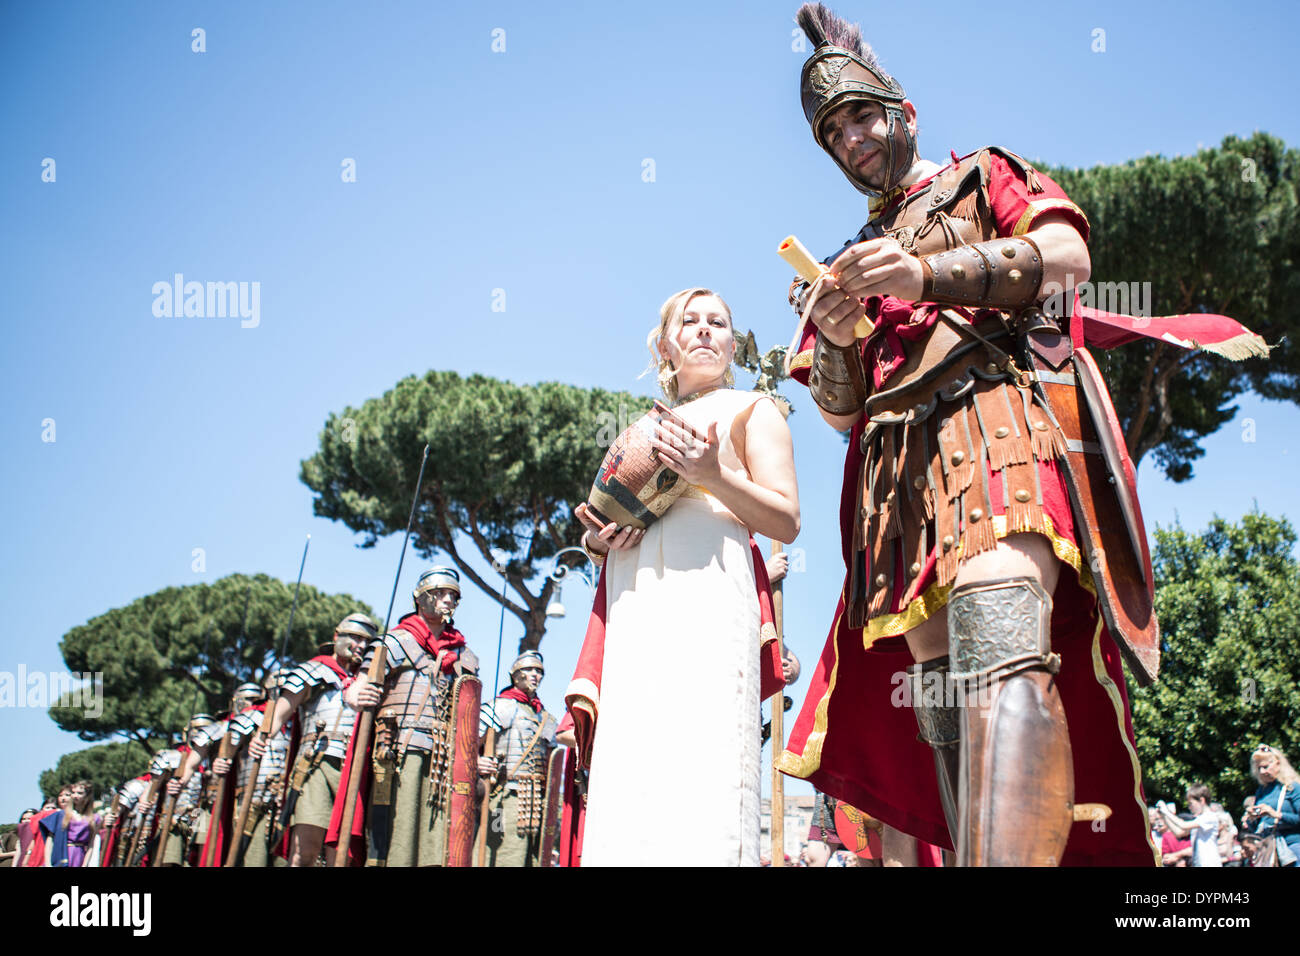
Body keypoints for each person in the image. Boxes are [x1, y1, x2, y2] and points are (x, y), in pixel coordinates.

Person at [773, 2, 1257, 867]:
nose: (850, 139)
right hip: (895, 475)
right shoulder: (848, 250)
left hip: (991, 420)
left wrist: (923, 272)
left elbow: (1067, 263)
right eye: (831, 133)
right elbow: (840, 411)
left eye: (859, 116)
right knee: (946, 710)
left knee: (1002, 649)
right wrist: (839, 335)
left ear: (903, 113)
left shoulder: (981, 173)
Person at [569, 287, 800, 866]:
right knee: (634, 762)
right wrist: (597, 541)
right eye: (689, 322)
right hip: (636, 598)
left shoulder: (755, 409)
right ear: (666, 346)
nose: (703, 330)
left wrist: (712, 474)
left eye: (717, 322)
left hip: (711, 599)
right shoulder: (639, 432)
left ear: (732, 341)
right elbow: (601, 526)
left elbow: (787, 519)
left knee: (704, 756)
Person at [344, 567, 485, 867]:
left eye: (454, 596)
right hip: (399, 753)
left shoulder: (464, 657)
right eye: (441, 593)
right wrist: (357, 695)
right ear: (421, 598)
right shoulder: (393, 642)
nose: (449, 600)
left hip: (443, 759)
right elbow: (358, 686)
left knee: (434, 846)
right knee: (396, 840)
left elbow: (469, 715)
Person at [249, 612, 377, 866]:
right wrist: (262, 737)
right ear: (336, 636)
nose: (360, 645)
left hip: (354, 770)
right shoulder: (314, 670)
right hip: (315, 764)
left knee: (341, 855)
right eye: (354, 637)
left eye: (366, 641)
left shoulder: (370, 680)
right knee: (304, 851)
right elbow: (281, 711)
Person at [479, 651, 559, 867]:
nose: (535, 675)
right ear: (515, 674)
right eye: (529, 669)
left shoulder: (547, 719)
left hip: (537, 801)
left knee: (531, 858)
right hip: (502, 800)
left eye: (539, 671)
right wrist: (478, 763)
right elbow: (467, 745)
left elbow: (554, 767)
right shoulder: (500, 707)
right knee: (499, 853)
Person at [1245, 744, 1300, 866]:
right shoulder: (1262, 791)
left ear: (1278, 764)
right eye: (1259, 768)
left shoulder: (1292, 788)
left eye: (1265, 767)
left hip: (1293, 848)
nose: (1262, 772)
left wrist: (1275, 814)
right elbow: (1256, 828)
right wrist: (1251, 818)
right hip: (1270, 849)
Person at [1157, 784, 1223, 868]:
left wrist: (1166, 811)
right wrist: (1164, 815)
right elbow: (1179, 833)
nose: (1190, 807)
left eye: (1191, 804)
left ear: (1202, 800)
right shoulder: (1199, 819)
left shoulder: (1209, 817)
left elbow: (1183, 825)